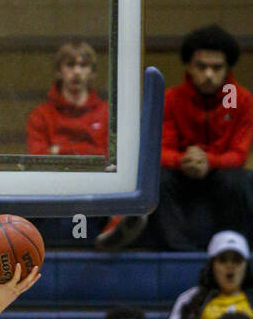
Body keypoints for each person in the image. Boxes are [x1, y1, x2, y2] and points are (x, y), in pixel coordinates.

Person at [99, 25, 253, 252]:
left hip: (220, 174)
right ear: (189, 66)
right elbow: (159, 150)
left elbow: (238, 154)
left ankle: (231, 249)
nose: (209, 74)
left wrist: (208, 161)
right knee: (157, 179)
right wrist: (184, 161)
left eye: (217, 67)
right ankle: (176, 250)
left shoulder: (242, 99)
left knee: (240, 180)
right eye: (202, 66)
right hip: (181, 173)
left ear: (227, 68)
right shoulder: (171, 98)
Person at [164, 232, 253, 319]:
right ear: (212, 265)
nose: (230, 266)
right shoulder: (191, 299)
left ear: (246, 266)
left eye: (236, 260)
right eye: (223, 260)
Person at [25, 40, 108, 157]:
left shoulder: (107, 114)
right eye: (70, 65)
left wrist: (58, 151)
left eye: (83, 65)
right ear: (59, 71)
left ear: (92, 72)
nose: (77, 71)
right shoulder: (41, 115)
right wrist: (89, 150)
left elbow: (109, 158)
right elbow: (38, 160)